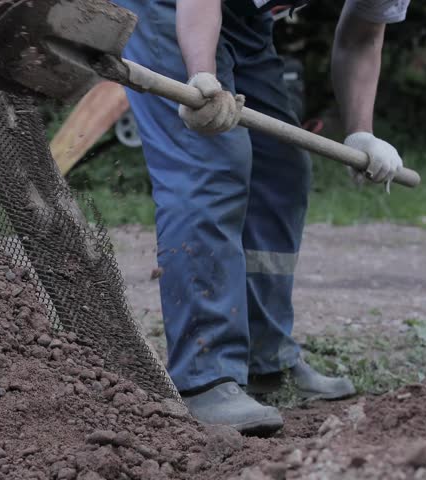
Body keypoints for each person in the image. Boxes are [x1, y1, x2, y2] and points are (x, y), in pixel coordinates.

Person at [111, 0, 409, 435]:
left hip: (242, 16)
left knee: (282, 168)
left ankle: (266, 357)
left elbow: (363, 34)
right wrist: (202, 78)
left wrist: (361, 131)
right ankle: (205, 375)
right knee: (211, 162)